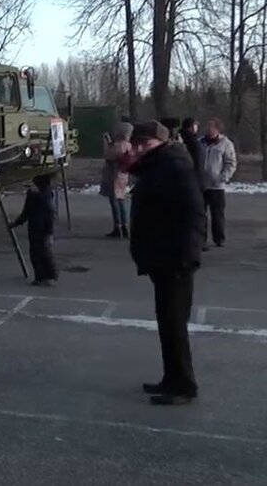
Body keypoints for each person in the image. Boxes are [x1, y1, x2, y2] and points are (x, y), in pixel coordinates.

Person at [126, 120, 205, 405]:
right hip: (164, 257)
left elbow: (193, 214)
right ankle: (171, 378)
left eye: (145, 144)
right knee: (167, 323)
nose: (139, 148)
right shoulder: (160, 164)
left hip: (176, 258)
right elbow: (135, 169)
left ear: (161, 142)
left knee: (174, 324)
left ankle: (184, 385)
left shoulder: (175, 166)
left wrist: (186, 254)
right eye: (138, 143)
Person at [9, 173, 58, 286]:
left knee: (42, 253)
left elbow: (48, 216)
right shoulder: (37, 195)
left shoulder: (43, 196)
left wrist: (49, 233)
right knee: (38, 253)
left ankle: (47, 276)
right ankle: (43, 276)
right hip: (36, 228)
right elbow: (26, 213)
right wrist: (17, 223)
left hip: (41, 228)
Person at [198, 119, 237, 249]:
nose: (209, 130)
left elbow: (230, 163)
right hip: (201, 185)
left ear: (218, 129)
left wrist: (223, 177)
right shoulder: (200, 143)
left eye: (212, 128)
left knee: (217, 214)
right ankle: (201, 239)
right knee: (200, 215)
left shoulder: (225, 144)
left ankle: (219, 238)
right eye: (207, 127)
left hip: (216, 186)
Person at [99, 121, 133, 238]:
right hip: (124, 174)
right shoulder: (128, 144)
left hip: (114, 173)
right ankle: (125, 226)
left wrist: (106, 142)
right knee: (120, 199)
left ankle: (117, 226)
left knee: (114, 201)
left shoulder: (118, 145)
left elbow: (107, 155)